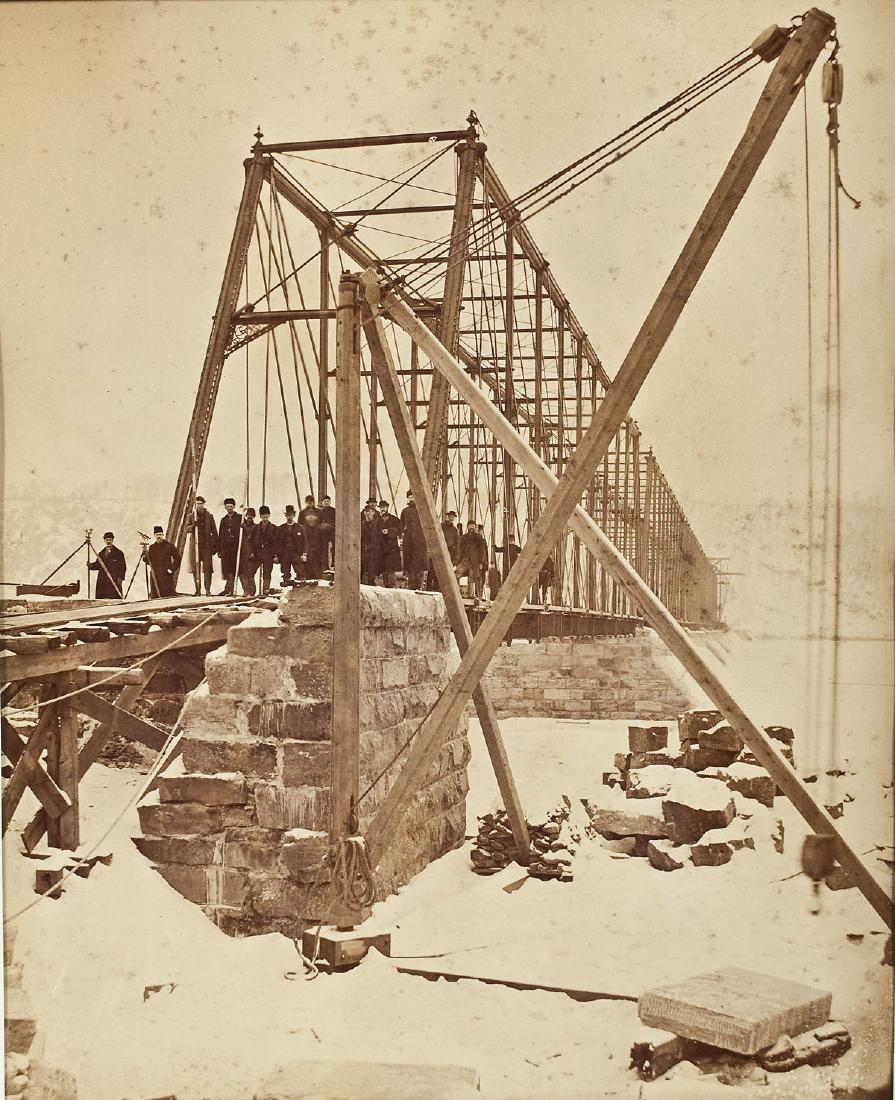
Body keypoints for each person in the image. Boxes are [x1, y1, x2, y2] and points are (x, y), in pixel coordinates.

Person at [143, 526, 180, 598]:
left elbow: (178, 559)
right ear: (154, 536)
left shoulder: (169, 546)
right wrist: (145, 556)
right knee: (155, 596)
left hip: (166, 575)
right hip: (155, 576)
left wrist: (171, 569)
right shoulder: (152, 547)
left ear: (163, 535)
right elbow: (149, 562)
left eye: (160, 534)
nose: (158, 536)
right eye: (157, 535)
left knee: (167, 596)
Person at [191, 495, 218, 596]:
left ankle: (208, 590)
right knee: (196, 568)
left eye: (201, 504)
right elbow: (187, 529)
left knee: (208, 569)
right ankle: (198, 590)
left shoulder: (209, 516)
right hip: (196, 546)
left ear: (204, 504)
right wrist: (193, 525)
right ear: (195, 505)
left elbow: (214, 532)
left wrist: (215, 546)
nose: (199, 505)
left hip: (207, 546)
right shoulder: (192, 516)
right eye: (197, 504)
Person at [400, 489, 427, 589]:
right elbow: (401, 525)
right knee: (410, 564)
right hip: (409, 542)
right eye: (410, 497)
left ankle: (419, 585)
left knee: (419, 564)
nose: (411, 499)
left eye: (413, 497)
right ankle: (411, 586)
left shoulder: (422, 510)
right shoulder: (405, 511)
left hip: (420, 542)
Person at [88, 531, 126, 599]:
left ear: (113, 540)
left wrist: (121, 578)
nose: (108, 541)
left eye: (110, 540)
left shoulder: (119, 553)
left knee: (114, 598)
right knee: (102, 599)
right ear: (104, 540)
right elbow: (98, 565)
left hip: (114, 580)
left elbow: (123, 566)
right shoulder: (101, 553)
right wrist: (91, 565)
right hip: (102, 580)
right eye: (107, 540)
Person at [455, 520, 488, 599]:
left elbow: (482, 551)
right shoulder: (464, 537)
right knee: (456, 574)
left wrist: (481, 562)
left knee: (472, 578)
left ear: (475, 527)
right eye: (470, 526)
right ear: (468, 526)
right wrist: (458, 560)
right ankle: (456, 592)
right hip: (465, 560)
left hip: (474, 561)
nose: (471, 527)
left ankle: (470, 595)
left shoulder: (478, 537)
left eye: (473, 526)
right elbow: (460, 549)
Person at [218, 497, 242, 596]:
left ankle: (231, 589)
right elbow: (221, 535)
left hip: (236, 548)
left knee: (235, 569)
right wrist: (220, 549)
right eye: (227, 506)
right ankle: (228, 589)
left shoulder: (239, 518)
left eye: (231, 506)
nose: (229, 508)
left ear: (234, 507)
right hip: (226, 549)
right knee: (227, 569)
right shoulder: (224, 520)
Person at [278, 505, 305, 585]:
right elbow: (278, 543)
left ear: (294, 515)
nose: (289, 517)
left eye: (291, 515)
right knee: (285, 572)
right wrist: (277, 555)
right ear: (286, 516)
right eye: (288, 515)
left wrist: (304, 554)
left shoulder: (300, 527)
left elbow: (305, 542)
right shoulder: (281, 528)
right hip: (285, 553)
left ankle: (301, 589)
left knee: (300, 571)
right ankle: (286, 589)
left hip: (296, 553)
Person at [377, 499, 402, 588]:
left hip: (391, 548)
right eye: (381, 507)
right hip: (381, 548)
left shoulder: (394, 519)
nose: (382, 509)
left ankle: (393, 587)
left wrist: (389, 531)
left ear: (387, 508)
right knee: (383, 568)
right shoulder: (377, 520)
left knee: (391, 569)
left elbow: (399, 530)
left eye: (384, 507)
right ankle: (385, 586)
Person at [255, 505, 279, 594]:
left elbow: (276, 543)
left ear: (269, 515)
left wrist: (276, 555)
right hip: (257, 554)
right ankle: (250, 591)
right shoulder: (256, 528)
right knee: (250, 571)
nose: (264, 516)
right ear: (260, 516)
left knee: (267, 573)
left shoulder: (274, 528)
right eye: (262, 515)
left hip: (269, 554)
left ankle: (265, 590)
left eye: (266, 514)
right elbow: (252, 541)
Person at [360, 502, 383, 585]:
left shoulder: (377, 524)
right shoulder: (361, 524)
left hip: (373, 551)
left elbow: (380, 538)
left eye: (369, 511)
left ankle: (372, 585)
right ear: (364, 513)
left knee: (371, 571)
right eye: (366, 511)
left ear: (373, 512)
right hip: (362, 550)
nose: (368, 513)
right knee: (360, 570)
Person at [301, 510, 328, 579]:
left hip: (318, 554)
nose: (311, 520)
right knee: (307, 572)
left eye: (313, 518)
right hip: (307, 554)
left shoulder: (320, 529)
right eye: (309, 518)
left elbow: (323, 544)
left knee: (317, 572)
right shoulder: (303, 529)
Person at [238, 507, 259, 596]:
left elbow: (255, 541)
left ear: (254, 516)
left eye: (251, 516)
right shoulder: (241, 525)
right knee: (241, 573)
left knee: (250, 573)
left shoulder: (255, 527)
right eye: (248, 515)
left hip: (251, 554)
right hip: (241, 553)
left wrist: (252, 552)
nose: (249, 517)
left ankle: (252, 591)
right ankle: (246, 591)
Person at [319, 494, 336, 568]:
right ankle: (324, 565)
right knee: (323, 548)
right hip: (324, 533)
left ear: (330, 502)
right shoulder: (320, 512)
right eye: (325, 501)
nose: (326, 502)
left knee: (335, 547)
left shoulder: (334, 510)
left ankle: (334, 562)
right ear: (322, 503)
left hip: (332, 531)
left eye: (328, 501)